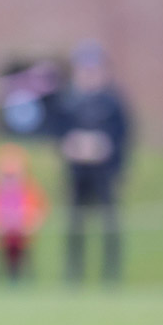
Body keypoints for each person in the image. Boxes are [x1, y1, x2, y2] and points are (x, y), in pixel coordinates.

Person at [56, 40, 132, 285]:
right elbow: (58, 133)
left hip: (104, 173)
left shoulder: (112, 102)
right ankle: (74, 275)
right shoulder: (69, 101)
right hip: (78, 173)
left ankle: (111, 275)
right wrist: (72, 147)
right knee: (76, 225)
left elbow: (123, 136)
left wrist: (106, 151)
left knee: (109, 223)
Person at [0, 143, 49, 283]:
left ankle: (21, 280)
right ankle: (5, 280)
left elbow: (40, 210)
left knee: (22, 258)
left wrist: (30, 225)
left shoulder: (30, 189)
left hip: (22, 234)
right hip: (3, 235)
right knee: (4, 258)